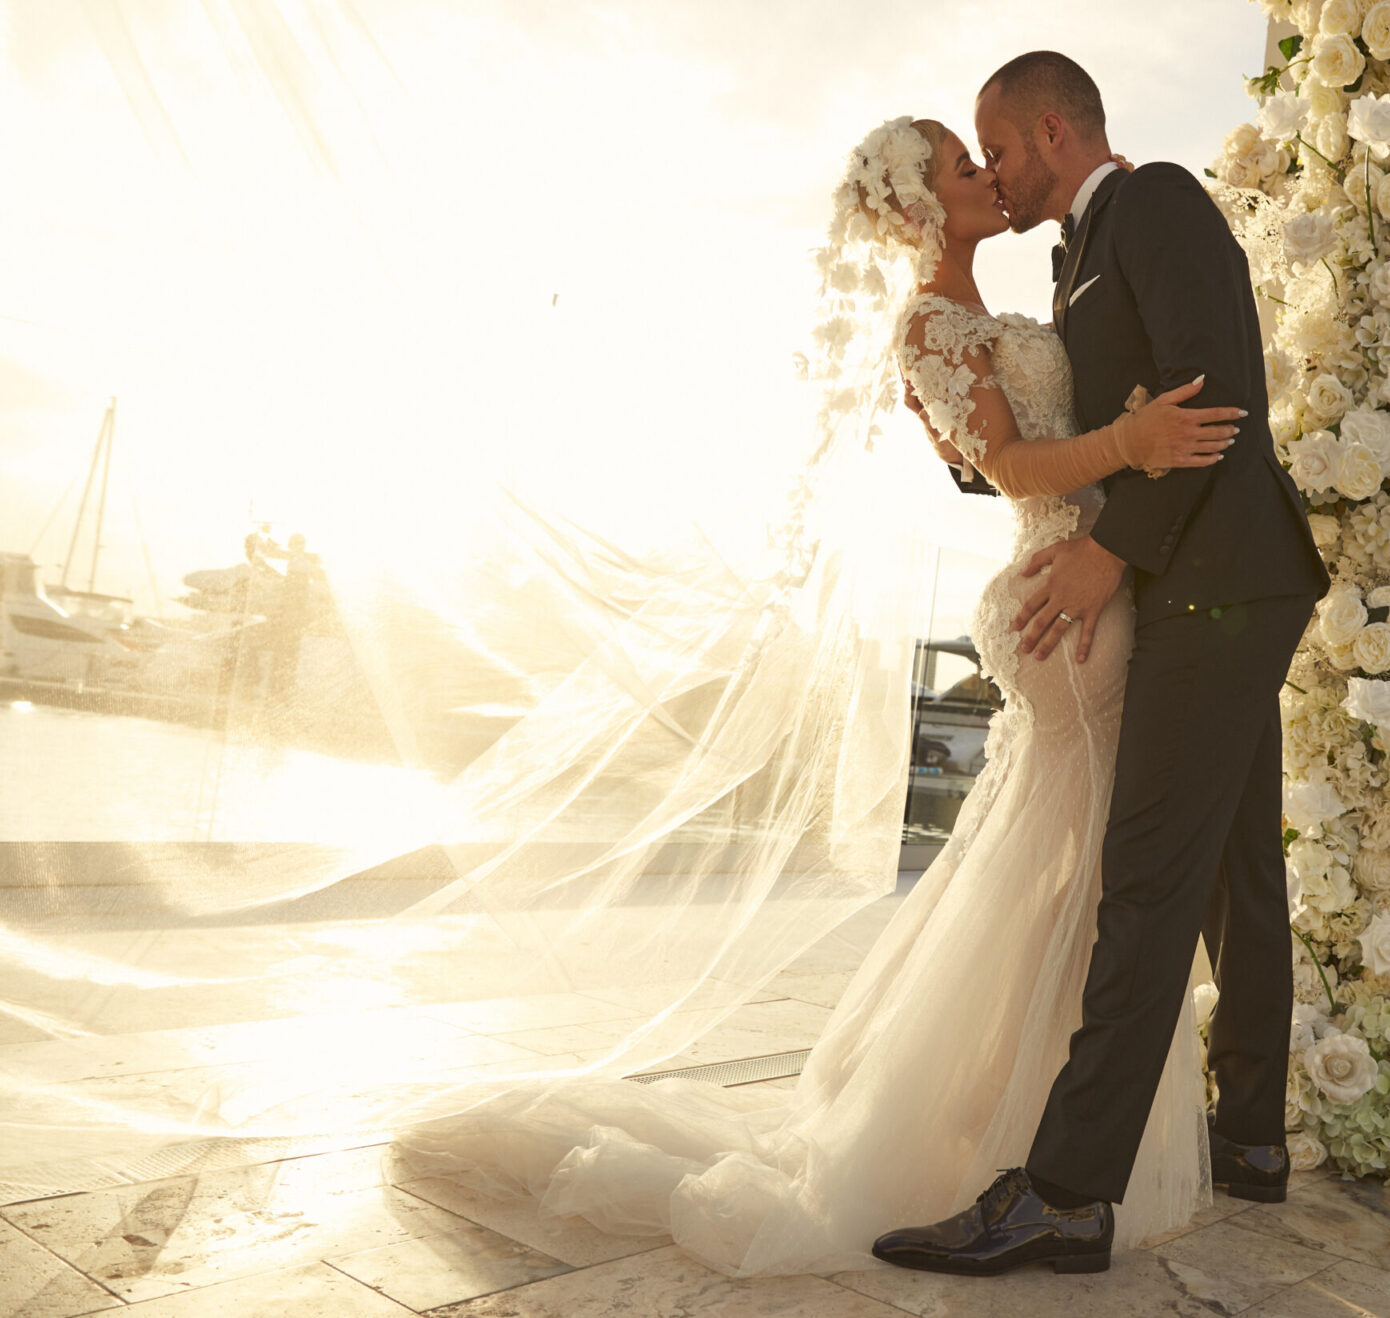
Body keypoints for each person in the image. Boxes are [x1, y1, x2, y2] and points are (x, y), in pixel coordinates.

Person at [395, 103, 1249, 1276]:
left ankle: (1018, 1130)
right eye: (965, 164)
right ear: (919, 204)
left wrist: (1056, 449)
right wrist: (1128, 446)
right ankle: (1027, 1152)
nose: (987, 174)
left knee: (1073, 874)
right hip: (1066, 600)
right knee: (1084, 876)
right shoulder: (932, 327)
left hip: (1091, 582)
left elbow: (987, 455)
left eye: (987, 154)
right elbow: (1009, 467)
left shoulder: (995, 312)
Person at [869, 51, 1328, 1278]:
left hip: (1214, 581)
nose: (995, 176)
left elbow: (1215, 394)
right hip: (1214, 578)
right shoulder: (1079, 253)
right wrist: (972, 451)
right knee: (1235, 868)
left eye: (999, 150)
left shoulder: (1158, 200)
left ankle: (1068, 1194)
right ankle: (1252, 1139)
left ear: (1053, 128)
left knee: (1144, 880)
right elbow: (1044, 440)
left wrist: (1109, 555)